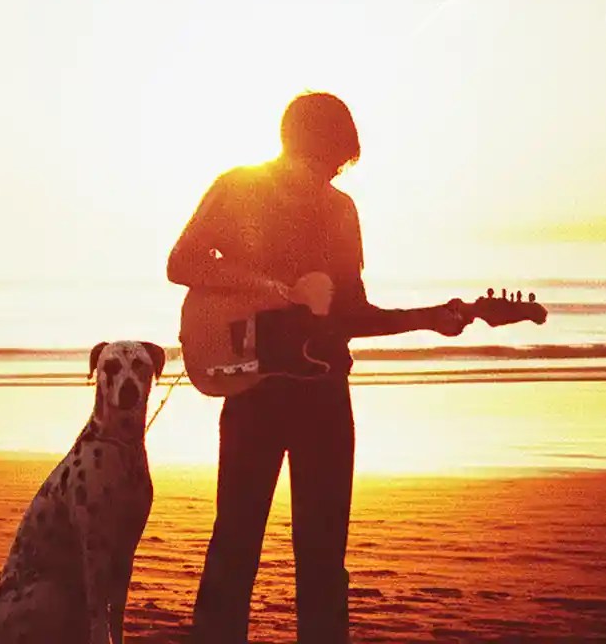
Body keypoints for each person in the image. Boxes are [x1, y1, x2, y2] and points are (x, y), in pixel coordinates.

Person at [166, 91, 469, 643]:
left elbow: (350, 312)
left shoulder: (340, 210)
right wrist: (266, 289)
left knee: (324, 554)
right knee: (234, 543)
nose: (328, 175)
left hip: (324, 395)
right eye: (323, 161)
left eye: (336, 166)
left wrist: (431, 319)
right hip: (252, 390)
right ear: (296, 144)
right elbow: (181, 263)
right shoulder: (237, 187)